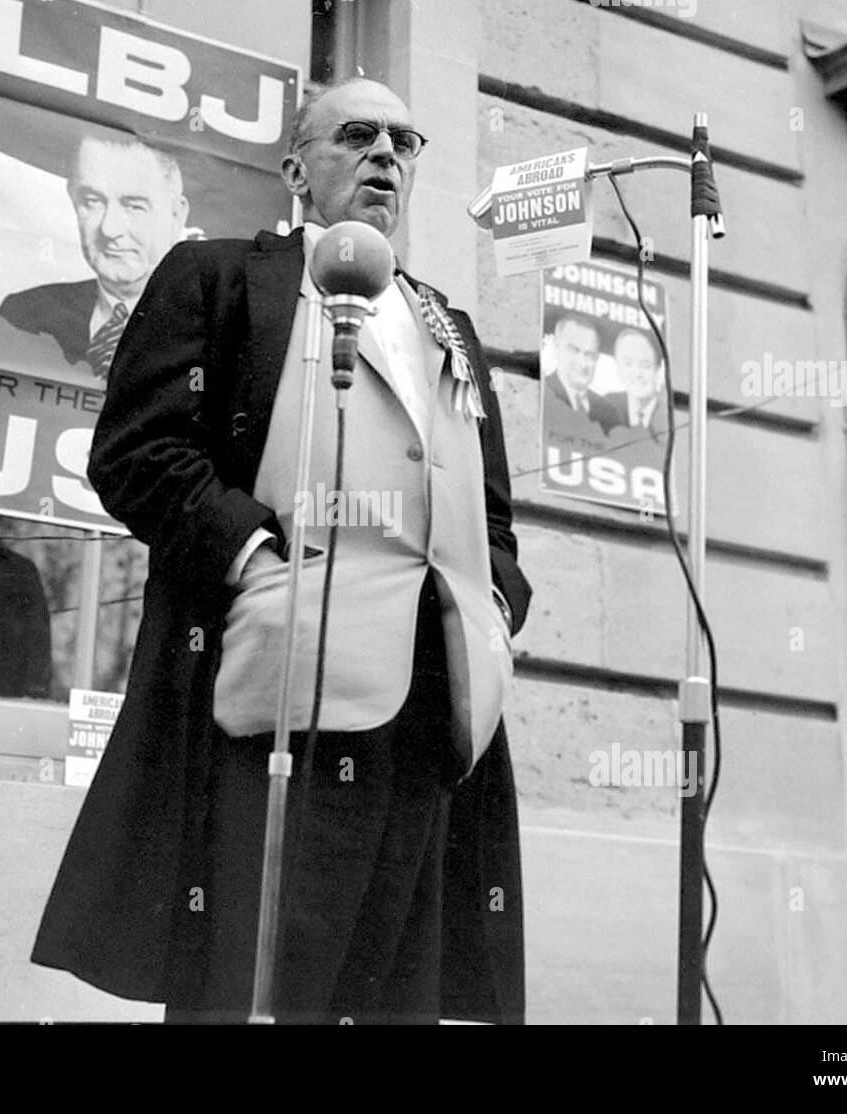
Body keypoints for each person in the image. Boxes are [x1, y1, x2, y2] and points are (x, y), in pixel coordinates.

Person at [30, 77, 532, 1025]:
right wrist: (257, 560)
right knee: (259, 989)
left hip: (433, 709)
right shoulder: (216, 277)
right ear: (298, 169)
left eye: (405, 141)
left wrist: (494, 611)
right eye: (358, 134)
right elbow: (139, 452)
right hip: (277, 694)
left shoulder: (447, 325)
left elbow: (493, 516)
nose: (387, 153)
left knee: (392, 1003)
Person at [0, 133, 190, 379]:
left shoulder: (209, 334)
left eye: (134, 206)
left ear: (176, 215)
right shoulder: (24, 312)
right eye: (92, 201)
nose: (110, 229)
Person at [543, 314, 623, 434]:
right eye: (574, 350)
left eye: (590, 355)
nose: (582, 363)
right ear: (556, 347)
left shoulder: (609, 413)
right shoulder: (541, 393)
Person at [604, 327, 666, 435]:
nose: (637, 374)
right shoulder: (607, 407)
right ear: (618, 367)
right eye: (628, 363)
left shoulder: (669, 415)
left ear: (658, 370)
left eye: (645, 365)